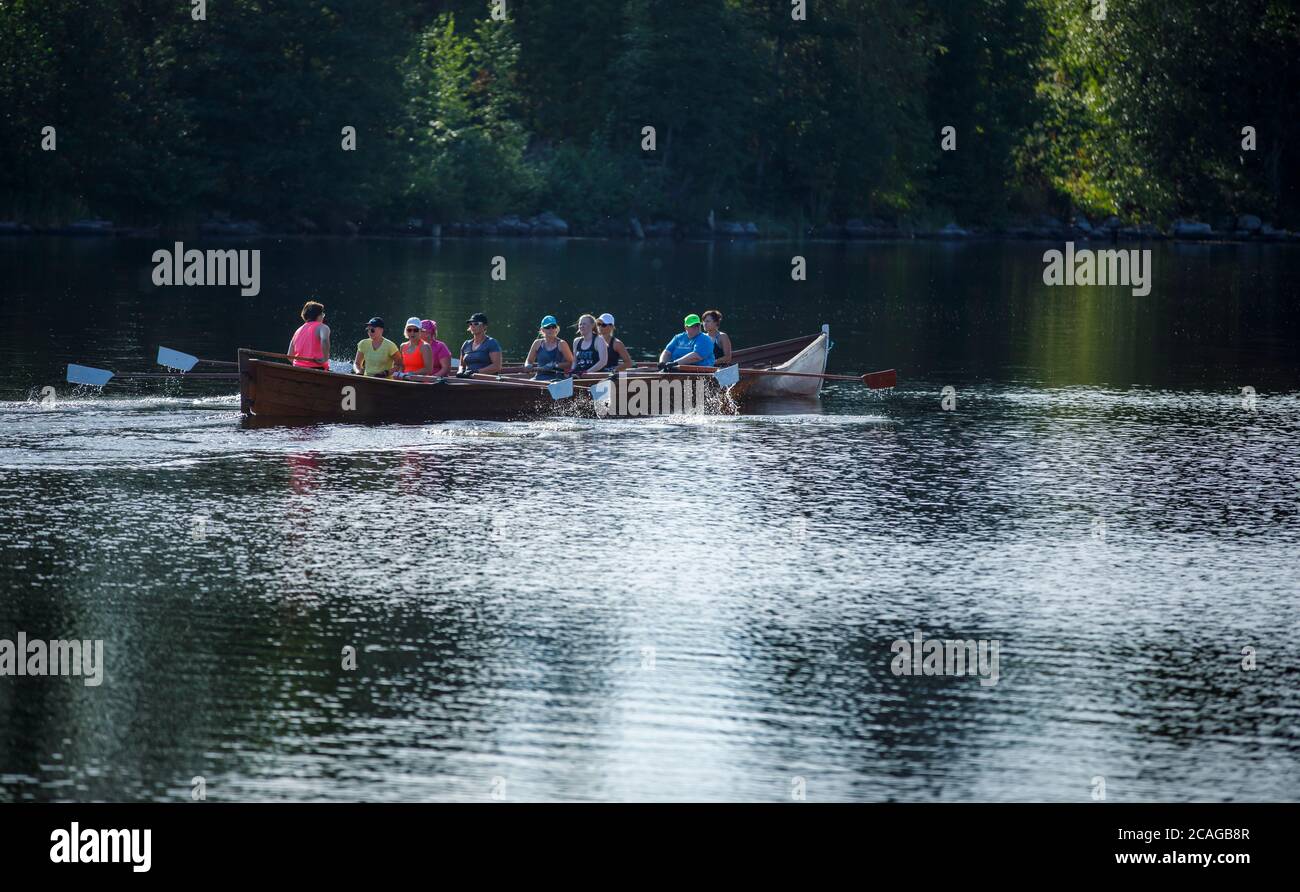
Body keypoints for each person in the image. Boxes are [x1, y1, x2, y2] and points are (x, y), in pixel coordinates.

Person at [524, 315, 574, 381]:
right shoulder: (537, 343)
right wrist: (528, 365)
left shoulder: (562, 343)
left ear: (556, 328)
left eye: (553, 327)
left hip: (557, 379)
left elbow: (571, 363)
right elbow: (529, 361)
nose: (551, 329)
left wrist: (555, 366)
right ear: (542, 330)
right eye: (548, 327)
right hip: (539, 378)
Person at [288, 300, 331, 370]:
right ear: (318, 315)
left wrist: (301, 364)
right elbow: (325, 340)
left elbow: (290, 356)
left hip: (297, 369)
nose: (323, 317)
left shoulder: (297, 331)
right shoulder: (323, 327)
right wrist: (325, 358)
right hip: (318, 369)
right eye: (322, 314)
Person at [458, 312, 503, 377]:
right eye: (470, 324)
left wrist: (476, 372)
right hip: (469, 379)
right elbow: (461, 365)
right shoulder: (466, 344)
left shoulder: (492, 343)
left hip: (486, 380)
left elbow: (496, 367)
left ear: (484, 326)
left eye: (476, 323)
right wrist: (460, 371)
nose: (472, 326)